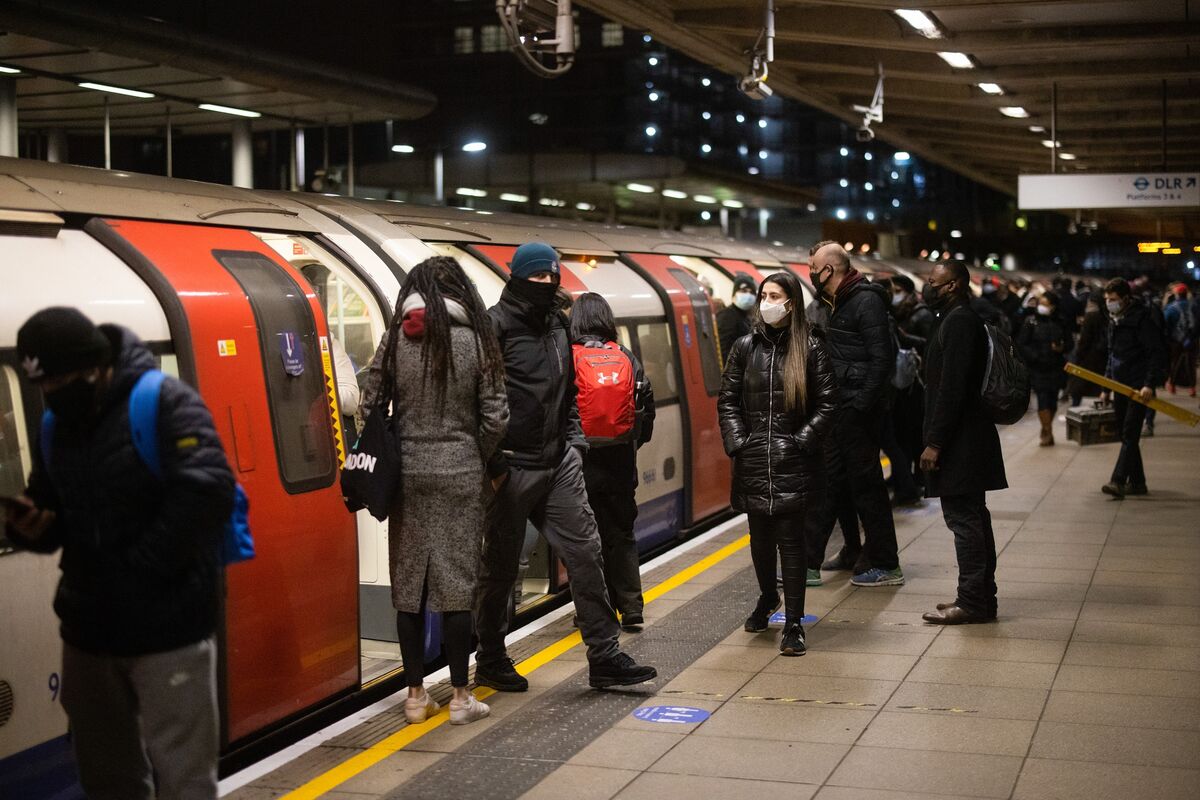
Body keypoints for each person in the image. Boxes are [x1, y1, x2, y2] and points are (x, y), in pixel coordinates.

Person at [6, 307, 235, 799]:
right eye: (42, 385)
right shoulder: (54, 426)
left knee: (183, 778)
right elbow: (53, 508)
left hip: (167, 627)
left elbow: (207, 491)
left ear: (94, 365)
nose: (52, 394)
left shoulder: (162, 402)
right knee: (106, 775)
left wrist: (138, 571)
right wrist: (31, 528)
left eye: (61, 380)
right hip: (89, 628)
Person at [474, 242, 656, 691]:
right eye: (537, 277)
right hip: (511, 468)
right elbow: (476, 399)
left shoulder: (558, 325)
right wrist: (494, 463)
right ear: (517, 277)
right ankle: (492, 657)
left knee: (586, 554)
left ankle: (605, 655)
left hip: (559, 464)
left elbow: (569, 391)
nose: (547, 284)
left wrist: (573, 442)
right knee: (500, 568)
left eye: (552, 277)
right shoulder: (494, 327)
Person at [359, 256, 509, 726]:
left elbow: (369, 400)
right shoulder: (476, 340)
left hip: (407, 474)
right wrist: (473, 453)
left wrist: (397, 438)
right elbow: (497, 417)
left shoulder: (397, 337)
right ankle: (461, 698)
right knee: (456, 586)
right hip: (461, 473)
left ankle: (414, 697)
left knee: (410, 585)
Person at [719, 271, 837, 655]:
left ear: (791, 304)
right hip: (753, 460)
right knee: (760, 541)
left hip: (794, 462)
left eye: (775, 296)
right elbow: (728, 401)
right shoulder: (743, 347)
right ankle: (768, 597)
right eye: (764, 295)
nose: (767, 302)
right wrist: (739, 443)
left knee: (791, 542)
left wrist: (801, 442)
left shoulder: (812, 348)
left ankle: (794, 624)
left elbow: (828, 404)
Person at [808, 242, 904, 587]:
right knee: (836, 482)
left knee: (867, 487)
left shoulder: (865, 301)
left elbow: (882, 360)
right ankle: (839, 554)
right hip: (840, 407)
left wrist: (860, 405)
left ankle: (886, 563)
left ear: (829, 270)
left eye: (814, 267)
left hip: (857, 411)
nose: (811, 274)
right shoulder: (833, 304)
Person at [918, 262, 1007, 625]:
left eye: (933, 282)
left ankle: (972, 602)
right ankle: (980, 597)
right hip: (969, 438)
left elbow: (951, 389)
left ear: (953, 285)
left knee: (964, 521)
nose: (927, 287)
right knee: (973, 519)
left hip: (960, 442)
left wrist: (934, 443)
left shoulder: (958, 322)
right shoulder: (959, 317)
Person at [569, 292, 656, 631]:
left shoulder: (569, 356)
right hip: (621, 461)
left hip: (582, 462)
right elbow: (645, 409)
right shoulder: (625, 356)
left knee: (586, 540)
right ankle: (632, 607)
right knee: (621, 533)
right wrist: (632, 444)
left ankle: (593, 610)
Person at [1100, 278, 1167, 498]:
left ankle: (1117, 481)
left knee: (1129, 433)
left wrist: (1149, 383)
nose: (1109, 303)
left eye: (1113, 299)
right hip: (1119, 384)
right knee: (1126, 434)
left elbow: (1155, 353)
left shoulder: (1142, 321)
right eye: (1107, 299)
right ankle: (1138, 483)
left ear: (1126, 298)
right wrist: (1106, 385)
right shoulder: (1114, 320)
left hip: (1138, 387)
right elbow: (1112, 354)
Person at [1016, 291, 1067, 446]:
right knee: (1043, 398)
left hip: (1056, 366)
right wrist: (1035, 357)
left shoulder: (1060, 322)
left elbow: (1069, 342)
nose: (1042, 307)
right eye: (1041, 303)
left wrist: (1061, 347)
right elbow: (1022, 343)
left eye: (1046, 304)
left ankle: (1046, 427)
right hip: (1038, 368)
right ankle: (1048, 431)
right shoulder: (1031, 321)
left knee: (1053, 400)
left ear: (1053, 307)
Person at [1067, 297, 1109, 407]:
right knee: (1102, 389)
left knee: (1078, 389)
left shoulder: (1090, 316)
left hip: (1087, 358)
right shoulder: (1108, 316)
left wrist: (1078, 356)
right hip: (1103, 358)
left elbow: (1084, 341)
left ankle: (1075, 409)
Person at [1163, 284, 1197, 397]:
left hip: (1176, 340)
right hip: (1192, 339)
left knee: (1175, 362)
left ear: (1176, 294)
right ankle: (1192, 388)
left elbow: (1166, 323)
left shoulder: (1171, 307)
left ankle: (1172, 385)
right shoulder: (1194, 306)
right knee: (1191, 364)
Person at [717, 272, 758, 364]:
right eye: (743, 291)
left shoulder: (745, 317)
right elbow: (722, 350)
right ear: (734, 294)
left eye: (751, 292)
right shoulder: (726, 316)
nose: (748, 295)